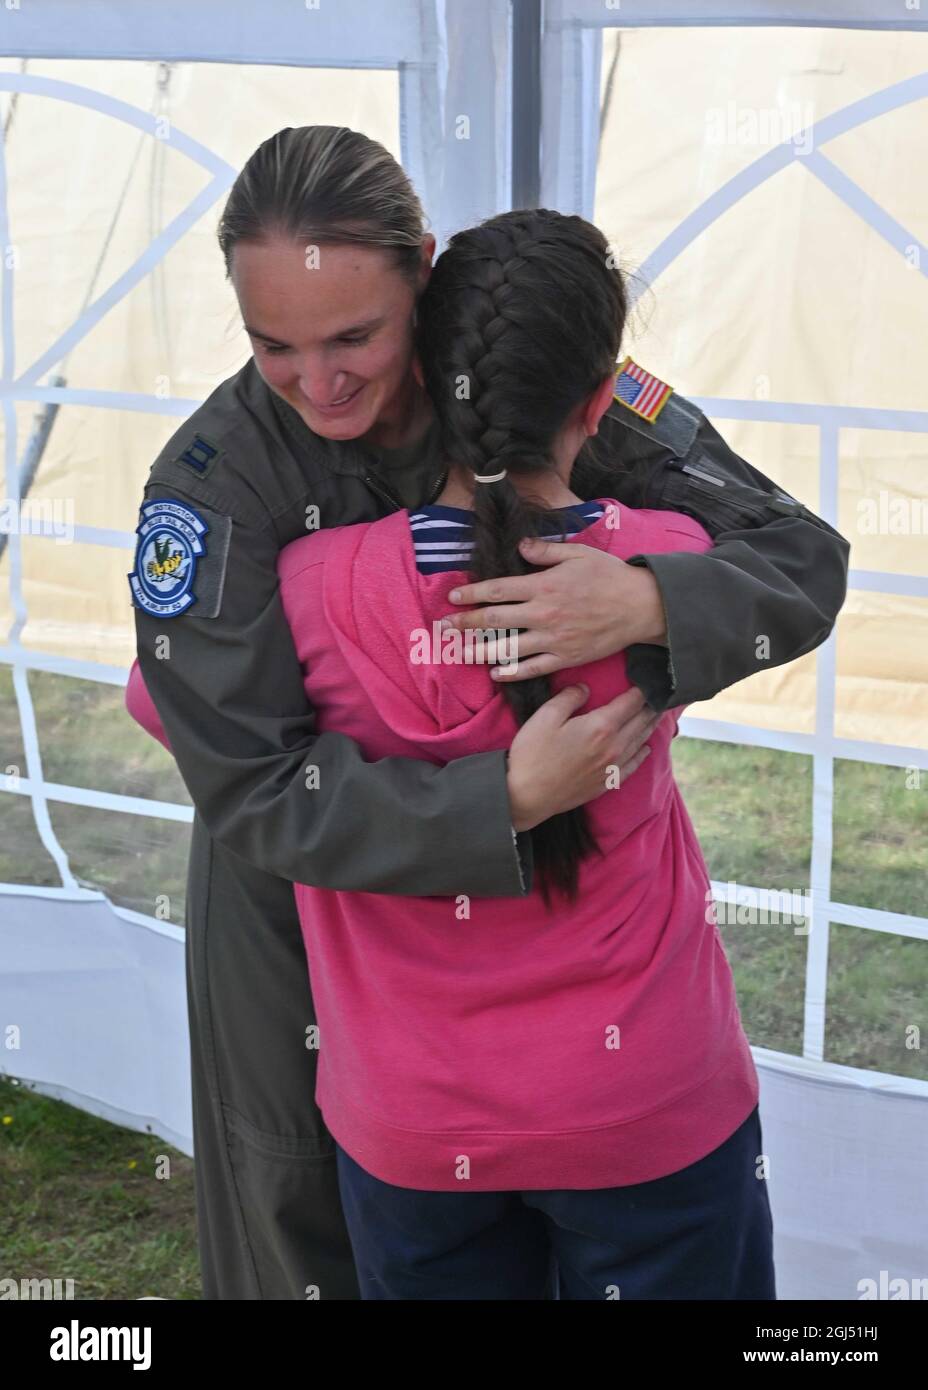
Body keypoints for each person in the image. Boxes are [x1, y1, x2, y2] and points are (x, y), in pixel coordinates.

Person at [125, 126, 848, 1300]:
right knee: (296, 1197)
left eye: (356, 336)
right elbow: (250, 780)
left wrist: (649, 597)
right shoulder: (213, 485)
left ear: (424, 269)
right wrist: (498, 798)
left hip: (549, 963)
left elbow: (797, 559)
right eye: (274, 348)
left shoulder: (534, 371)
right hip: (291, 873)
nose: (320, 385)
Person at [267, 204, 775, 1300]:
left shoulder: (304, 591)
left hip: (413, 1118)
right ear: (599, 402)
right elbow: (766, 554)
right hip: (646, 1101)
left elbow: (168, 709)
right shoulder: (665, 562)